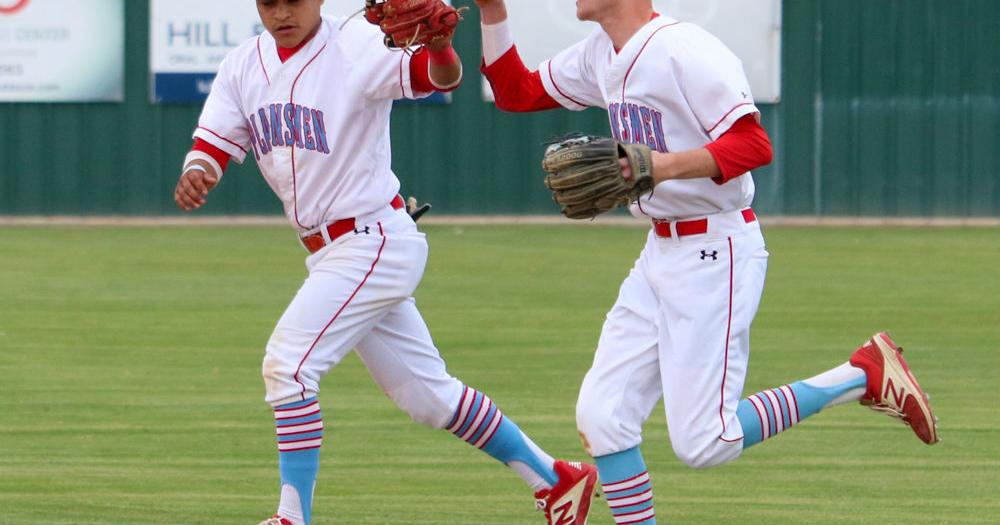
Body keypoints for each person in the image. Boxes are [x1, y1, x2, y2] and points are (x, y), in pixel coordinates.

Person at [473, 0, 939, 523]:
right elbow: (515, 92)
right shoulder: (600, 54)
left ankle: (861, 375)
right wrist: (492, 10)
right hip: (659, 251)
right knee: (603, 416)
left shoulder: (684, 50)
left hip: (717, 249)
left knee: (705, 442)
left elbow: (754, 144)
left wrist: (661, 167)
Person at [173, 1, 598, 524]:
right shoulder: (244, 64)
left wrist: (440, 48)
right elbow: (212, 143)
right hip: (333, 251)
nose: (281, 12)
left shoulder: (355, 44)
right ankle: (556, 479)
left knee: (288, 366)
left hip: (371, 239)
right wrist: (198, 171)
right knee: (428, 397)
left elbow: (441, 78)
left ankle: (291, 516)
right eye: (269, 2)